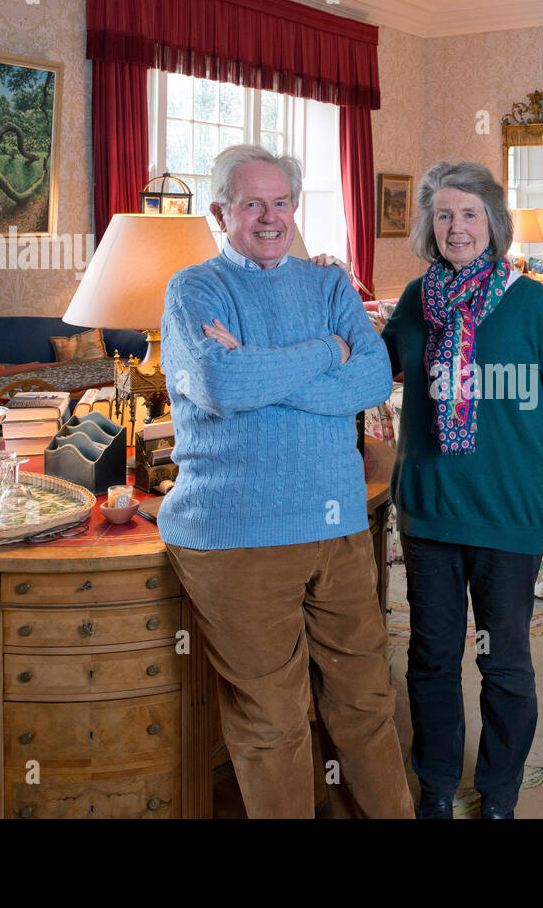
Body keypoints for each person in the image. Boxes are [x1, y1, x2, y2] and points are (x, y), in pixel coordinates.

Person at [159, 144, 414, 819]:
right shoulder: (194, 289)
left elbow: (370, 378)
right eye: (252, 204)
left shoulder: (329, 283)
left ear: (295, 207)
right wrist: (326, 351)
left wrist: (267, 373)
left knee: (366, 699)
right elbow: (220, 382)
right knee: (273, 721)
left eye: (281, 202)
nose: (270, 218)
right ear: (221, 212)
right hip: (236, 533)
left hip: (337, 526)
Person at [379, 160, 543, 818]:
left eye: (469, 213)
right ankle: (437, 787)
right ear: (429, 225)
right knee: (432, 659)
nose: (456, 227)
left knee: (503, 664)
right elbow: (372, 369)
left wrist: (533, 469)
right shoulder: (416, 302)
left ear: (493, 223)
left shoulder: (531, 303)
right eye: (443, 214)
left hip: (506, 517)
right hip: (430, 515)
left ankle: (499, 793)